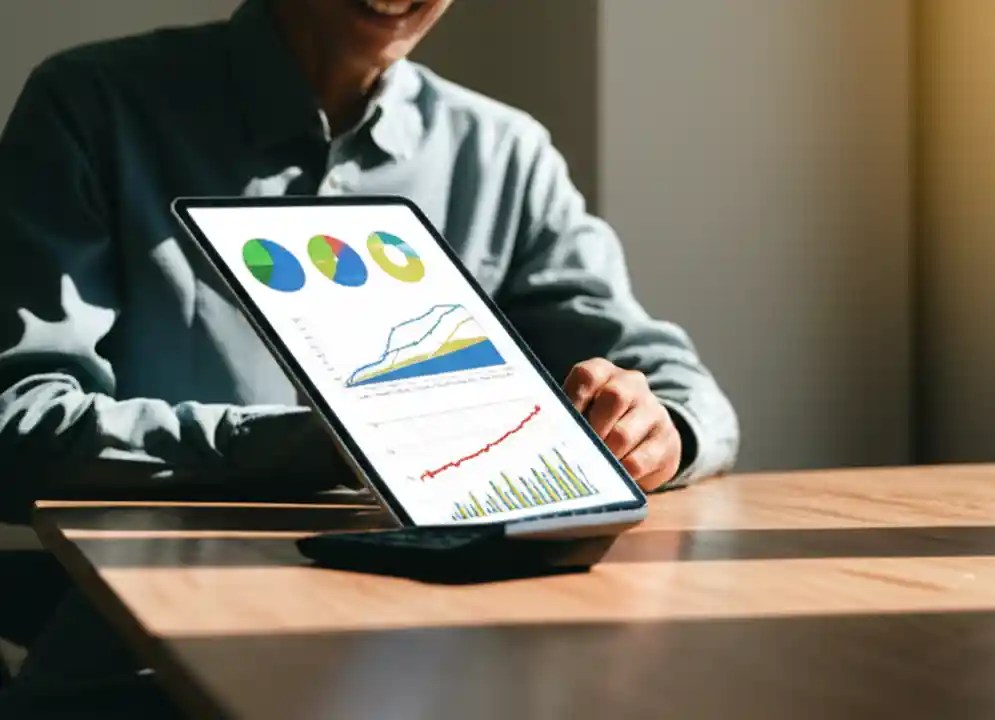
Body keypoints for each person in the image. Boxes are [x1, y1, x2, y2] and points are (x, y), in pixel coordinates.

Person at [0, 0, 738, 711]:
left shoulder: (504, 153)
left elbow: (677, 385)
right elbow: (20, 421)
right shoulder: (92, 106)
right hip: (149, 674)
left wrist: (659, 429)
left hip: (453, 658)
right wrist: (324, 445)